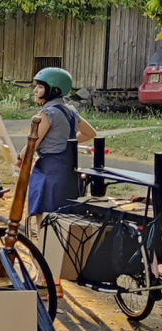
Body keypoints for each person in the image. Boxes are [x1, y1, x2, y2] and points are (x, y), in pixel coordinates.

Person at [25, 67, 96, 221]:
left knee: (45, 220)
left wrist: (20, 155)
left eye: (40, 87)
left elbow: (33, 145)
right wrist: (66, 142)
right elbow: (90, 133)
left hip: (50, 172)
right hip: (69, 172)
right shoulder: (70, 111)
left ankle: (43, 245)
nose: (35, 91)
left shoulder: (47, 113)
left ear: (54, 90)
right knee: (65, 221)